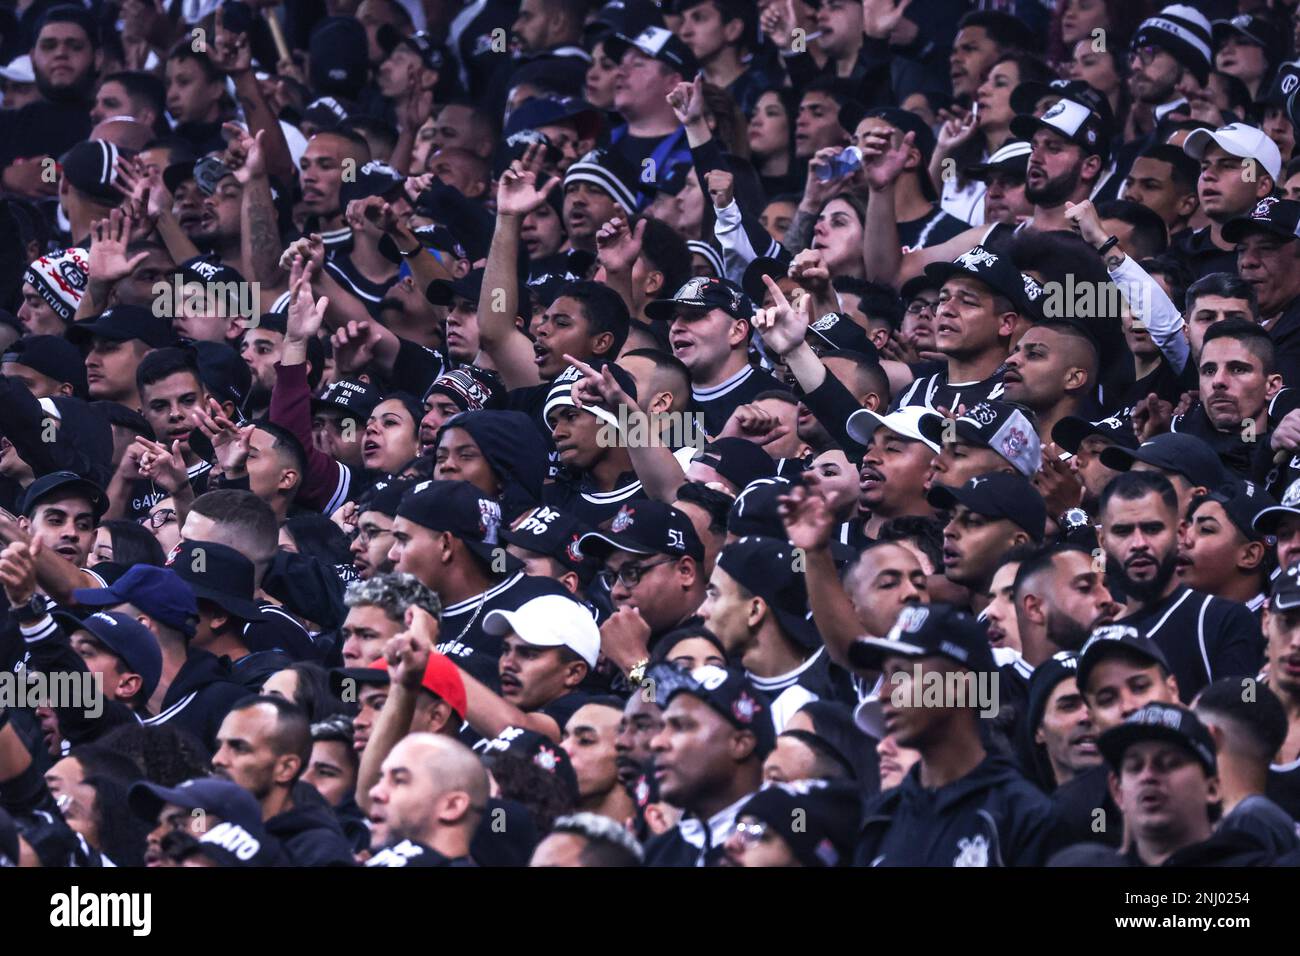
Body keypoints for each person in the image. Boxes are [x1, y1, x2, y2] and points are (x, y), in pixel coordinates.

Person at [850, 604, 1055, 866]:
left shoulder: (1023, 815)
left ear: (960, 685)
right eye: (885, 676)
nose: (885, 693)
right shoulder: (880, 816)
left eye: (902, 674)